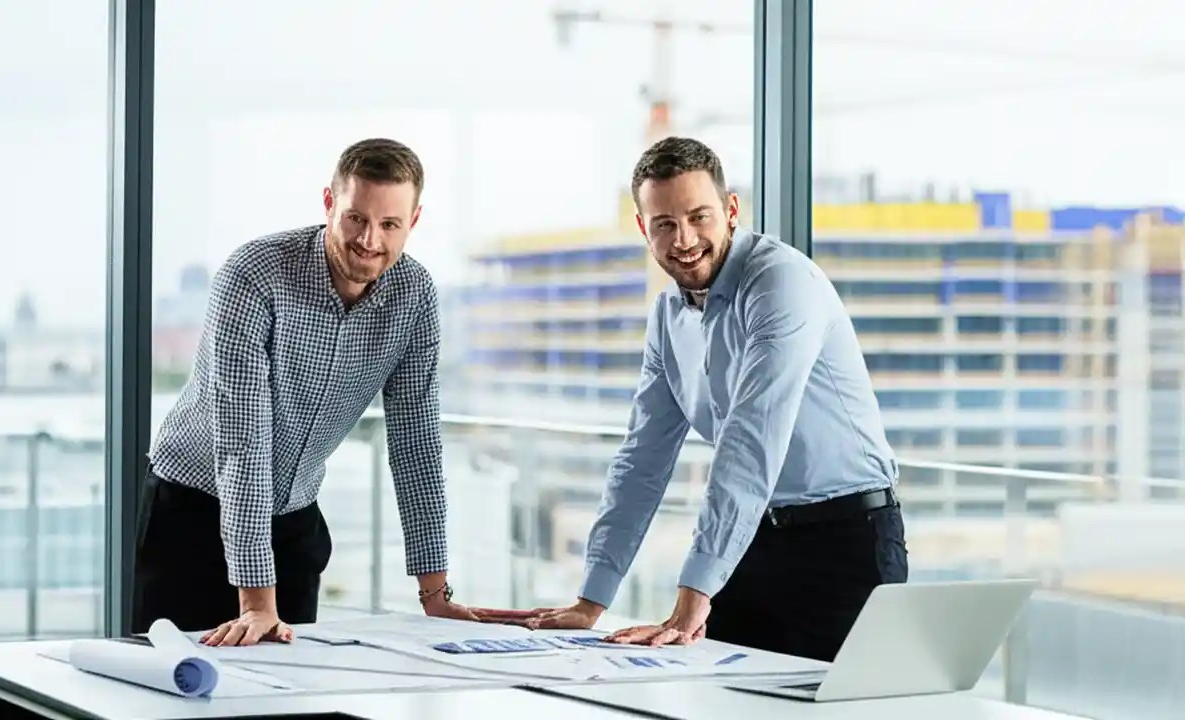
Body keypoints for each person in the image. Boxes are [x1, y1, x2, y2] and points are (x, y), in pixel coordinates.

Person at [480, 137, 908, 662]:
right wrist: (592, 600)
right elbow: (642, 459)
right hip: (748, 541)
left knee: (841, 702)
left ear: (731, 210)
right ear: (643, 228)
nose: (683, 239)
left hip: (846, 543)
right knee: (722, 697)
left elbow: (750, 441)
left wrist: (692, 596)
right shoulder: (668, 316)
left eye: (698, 217)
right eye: (664, 223)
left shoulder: (780, 283)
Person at [132, 138, 479, 646]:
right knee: (173, 679)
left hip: (295, 523)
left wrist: (435, 595)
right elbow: (244, 442)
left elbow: (416, 442)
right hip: (190, 516)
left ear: (414, 220)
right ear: (329, 203)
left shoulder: (415, 295)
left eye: (390, 224)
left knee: (291, 684)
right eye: (356, 218)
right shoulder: (254, 275)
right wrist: (257, 603)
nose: (370, 240)